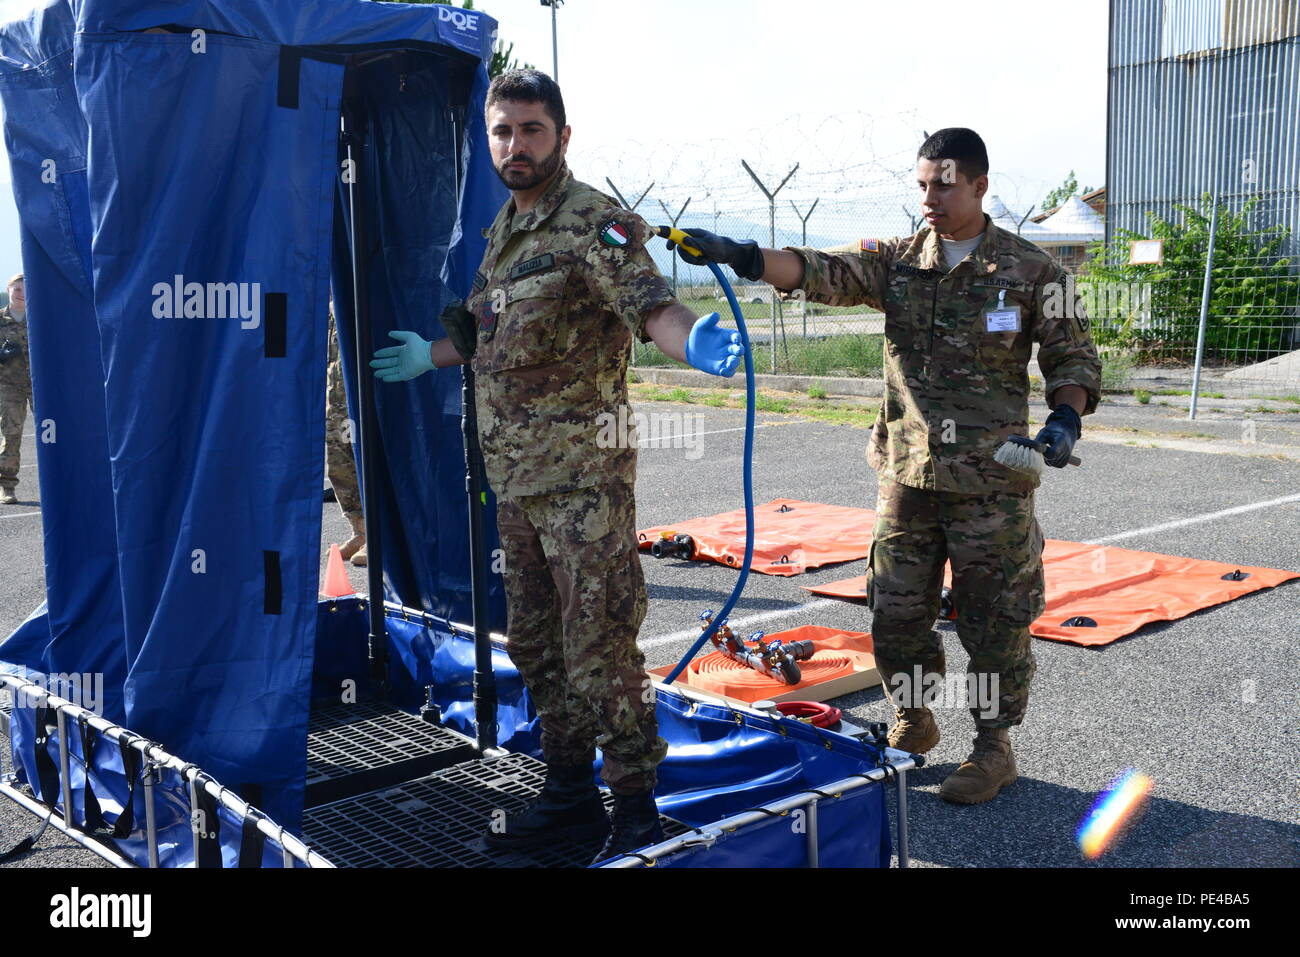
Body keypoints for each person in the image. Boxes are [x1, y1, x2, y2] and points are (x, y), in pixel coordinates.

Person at [370, 70, 742, 859]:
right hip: (517, 483)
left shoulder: (592, 224)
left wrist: (690, 336)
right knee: (537, 645)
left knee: (599, 647)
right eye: (503, 132)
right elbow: (482, 331)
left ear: (562, 137)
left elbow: (648, 305)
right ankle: (571, 793)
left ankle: (638, 813)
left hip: (584, 485)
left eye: (531, 130)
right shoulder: (503, 233)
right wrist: (431, 354)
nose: (515, 145)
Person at [672, 129, 1101, 804]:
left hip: (992, 483)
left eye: (944, 184)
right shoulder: (897, 261)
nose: (928, 197)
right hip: (908, 474)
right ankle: (914, 717)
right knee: (896, 613)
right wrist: (743, 254)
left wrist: (1065, 417)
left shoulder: (1031, 269)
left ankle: (994, 747)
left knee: (995, 618)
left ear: (980, 186)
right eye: (922, 184)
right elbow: (816, 270)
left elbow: (1073, 354)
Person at [325, 303, 367, 565]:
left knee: (368, 454)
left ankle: (380, 536)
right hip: (337, 386)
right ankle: (359, 531)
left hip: (362, 382)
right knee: (338, 455)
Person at [0, 273, 32, 506]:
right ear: (9, 290)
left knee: (53, 433)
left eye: (25, 289)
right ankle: (7, 486)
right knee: (11, 435)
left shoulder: (40, 317)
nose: (21, 294)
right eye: (17, 289)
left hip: (41, 385)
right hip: (9, 386)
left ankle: (60, 482)